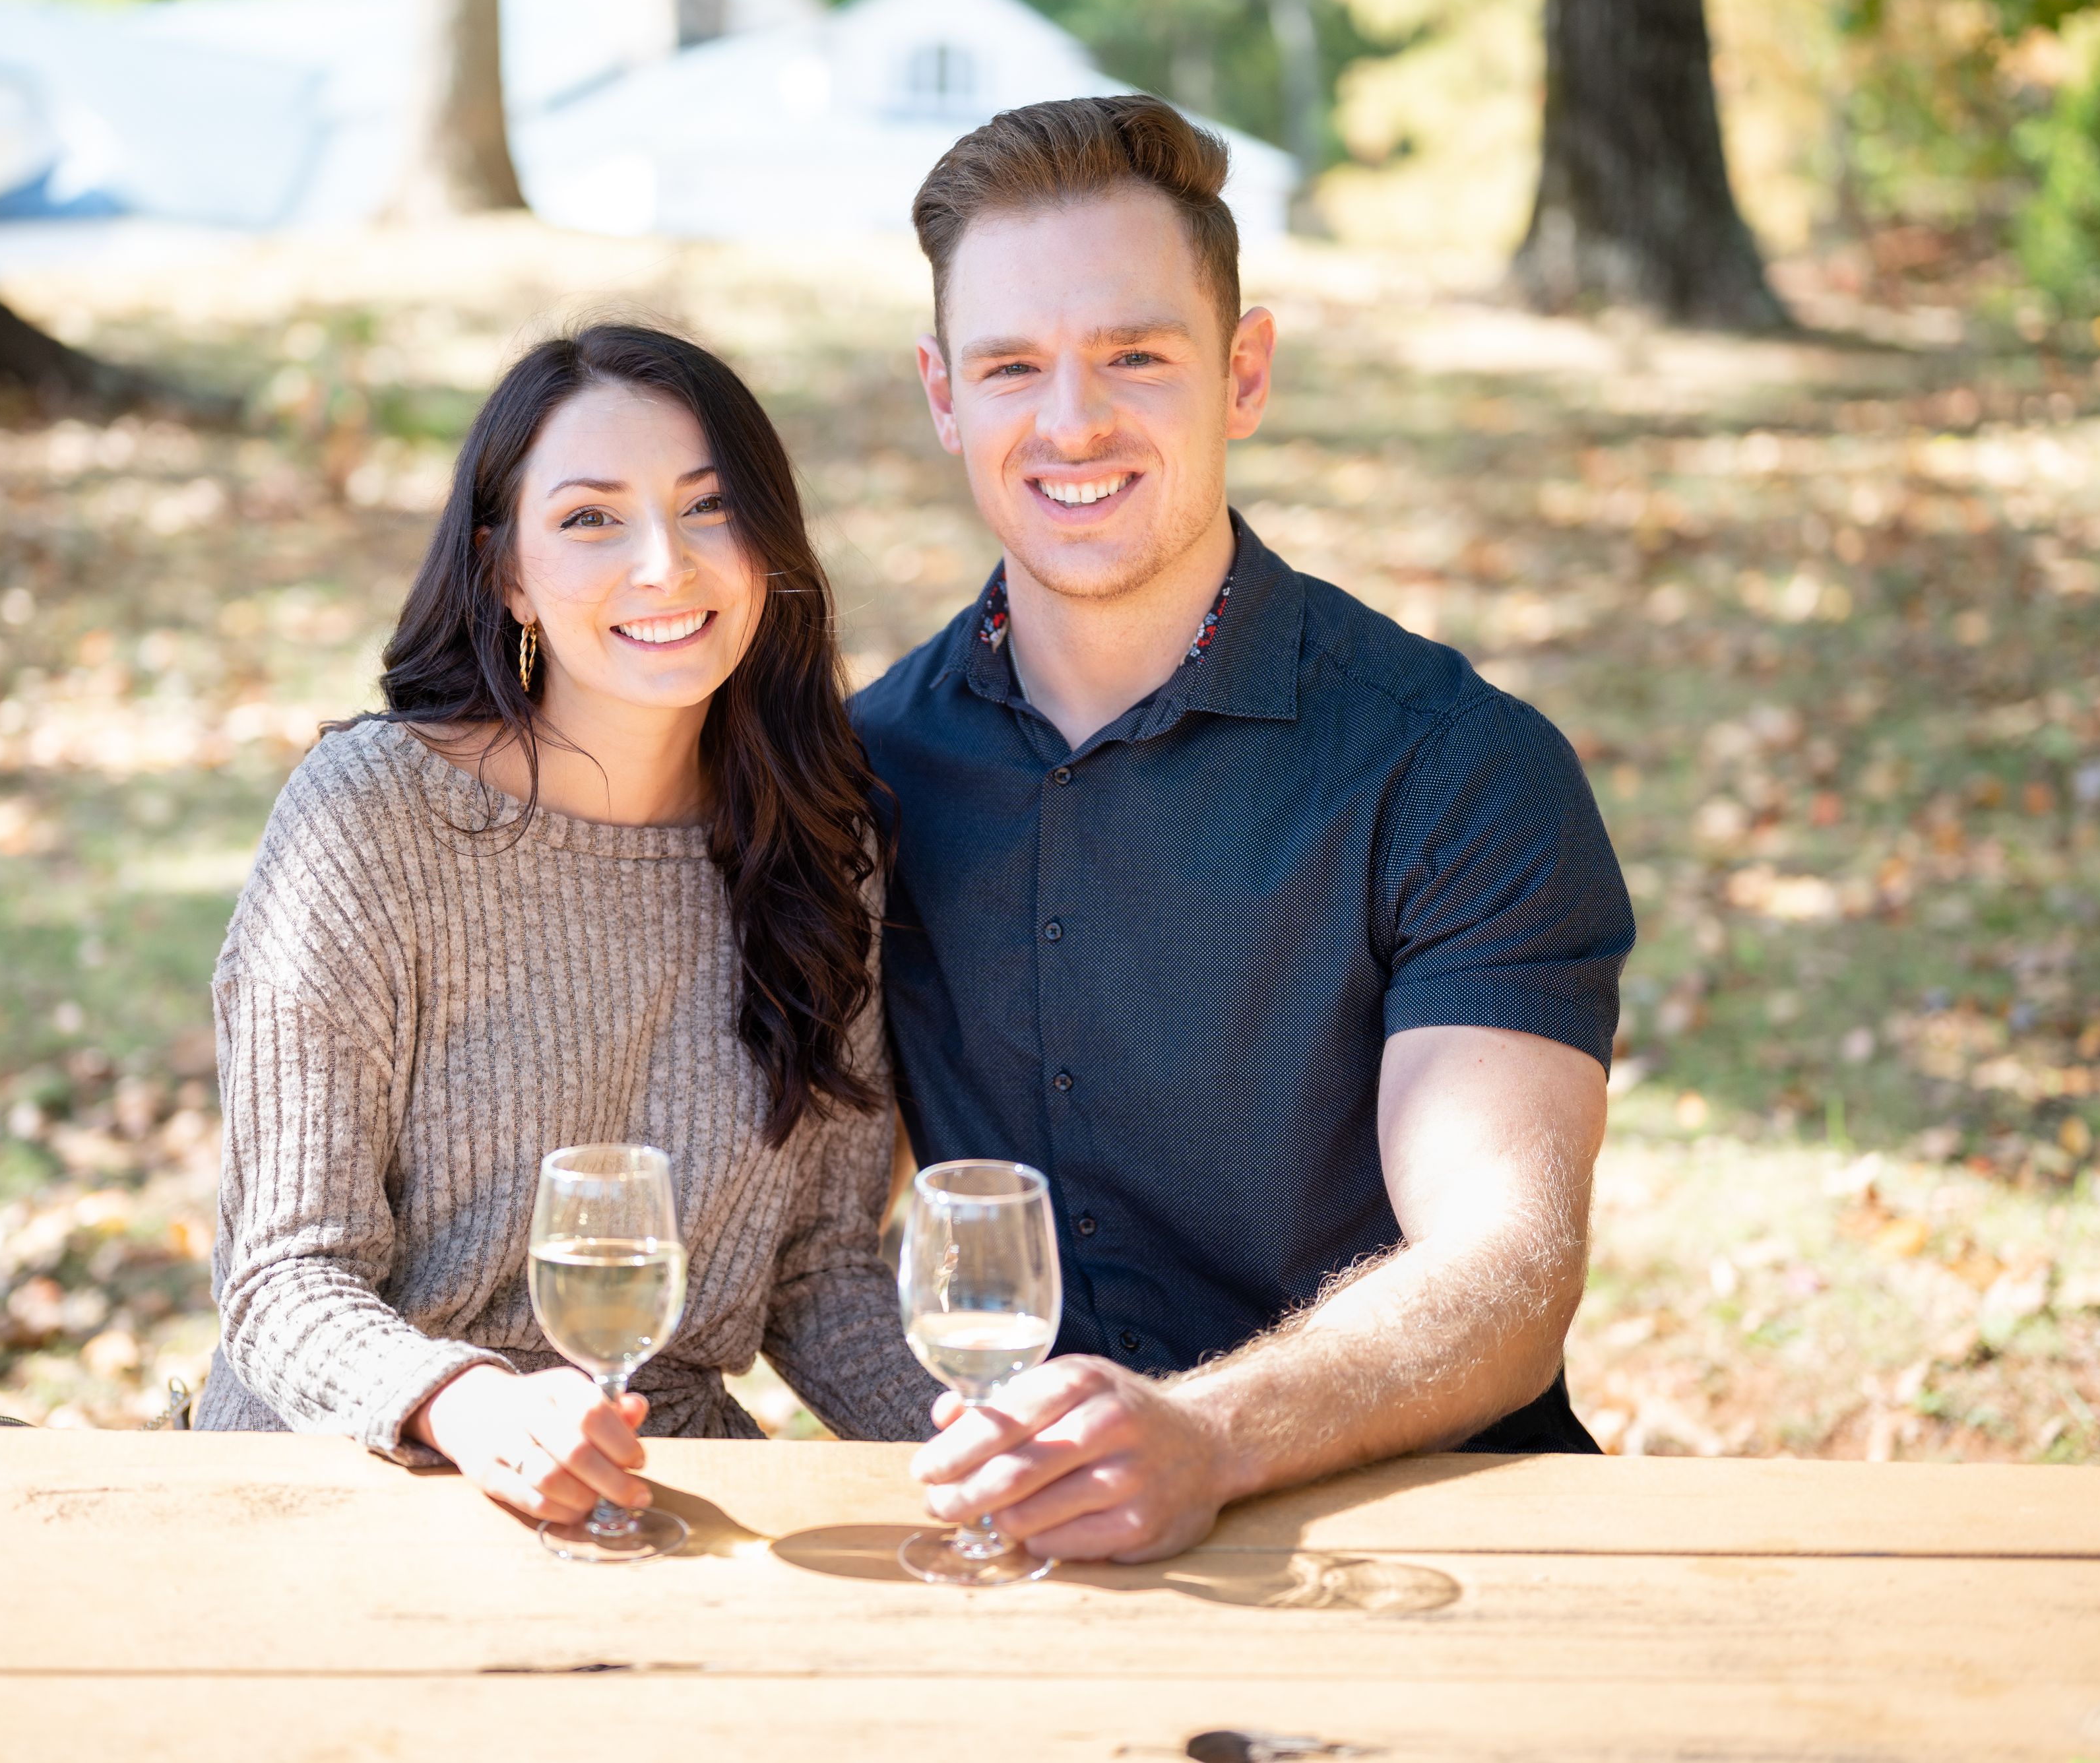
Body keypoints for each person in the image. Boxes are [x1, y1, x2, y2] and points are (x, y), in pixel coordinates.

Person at [849, 97, 1636, 1564]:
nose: (1069, 421)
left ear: (1243, 370)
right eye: (1010, 363)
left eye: (1133, 356)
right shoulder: (857, 779)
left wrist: (1210, 1435)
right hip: (1029, 1547)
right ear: (942, 395)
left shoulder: (1456, 769)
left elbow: (1507, 1268)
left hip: (1425, 1545)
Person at [194, 325, 939, 1526]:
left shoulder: (818, 845)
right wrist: (472, 1405)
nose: (664, 565)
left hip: (660, 1490)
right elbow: (285, 1281)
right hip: (357, 1476)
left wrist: (969, 1433)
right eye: (592, 518)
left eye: (710, 509)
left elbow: (814, 1266)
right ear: (506, 570)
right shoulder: (371, 821)